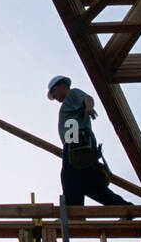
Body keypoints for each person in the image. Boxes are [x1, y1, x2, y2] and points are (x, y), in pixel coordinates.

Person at [47, 75, 129, 207]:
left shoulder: (72, 94)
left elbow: (87, 98)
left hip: (76, 142)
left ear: (62, 86)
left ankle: (73, 215)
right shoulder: (69, 101)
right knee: (91, 187)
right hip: (82, 144)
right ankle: (124, 207)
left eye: (53, 92)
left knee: (69, 179)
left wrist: (89, 107)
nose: (54, 96)